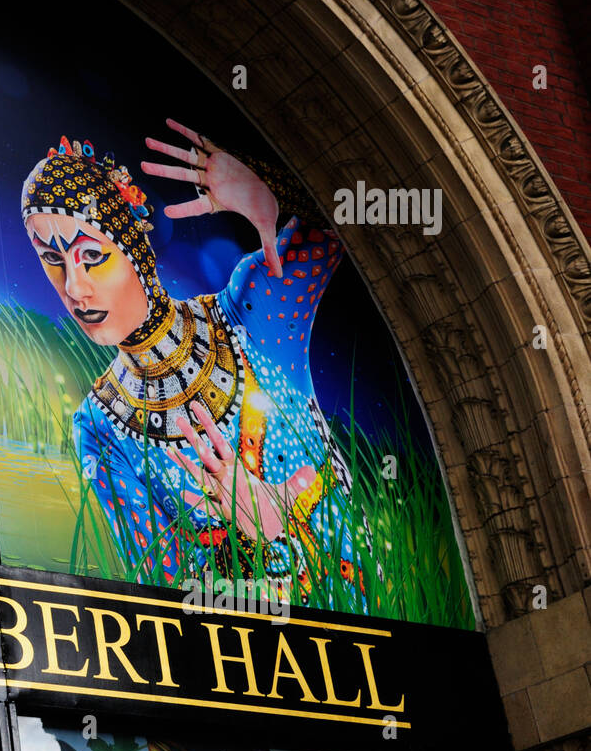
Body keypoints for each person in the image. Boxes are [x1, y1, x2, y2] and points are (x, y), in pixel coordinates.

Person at [21, 124, 378, 609]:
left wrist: (270, 188)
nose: (75, 288)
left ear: (133, 247)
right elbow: (174, 595)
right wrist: (262, 537)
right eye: (52, 260)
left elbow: (362, 207)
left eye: (92, 256)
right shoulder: (100, 428)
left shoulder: (254, 309)